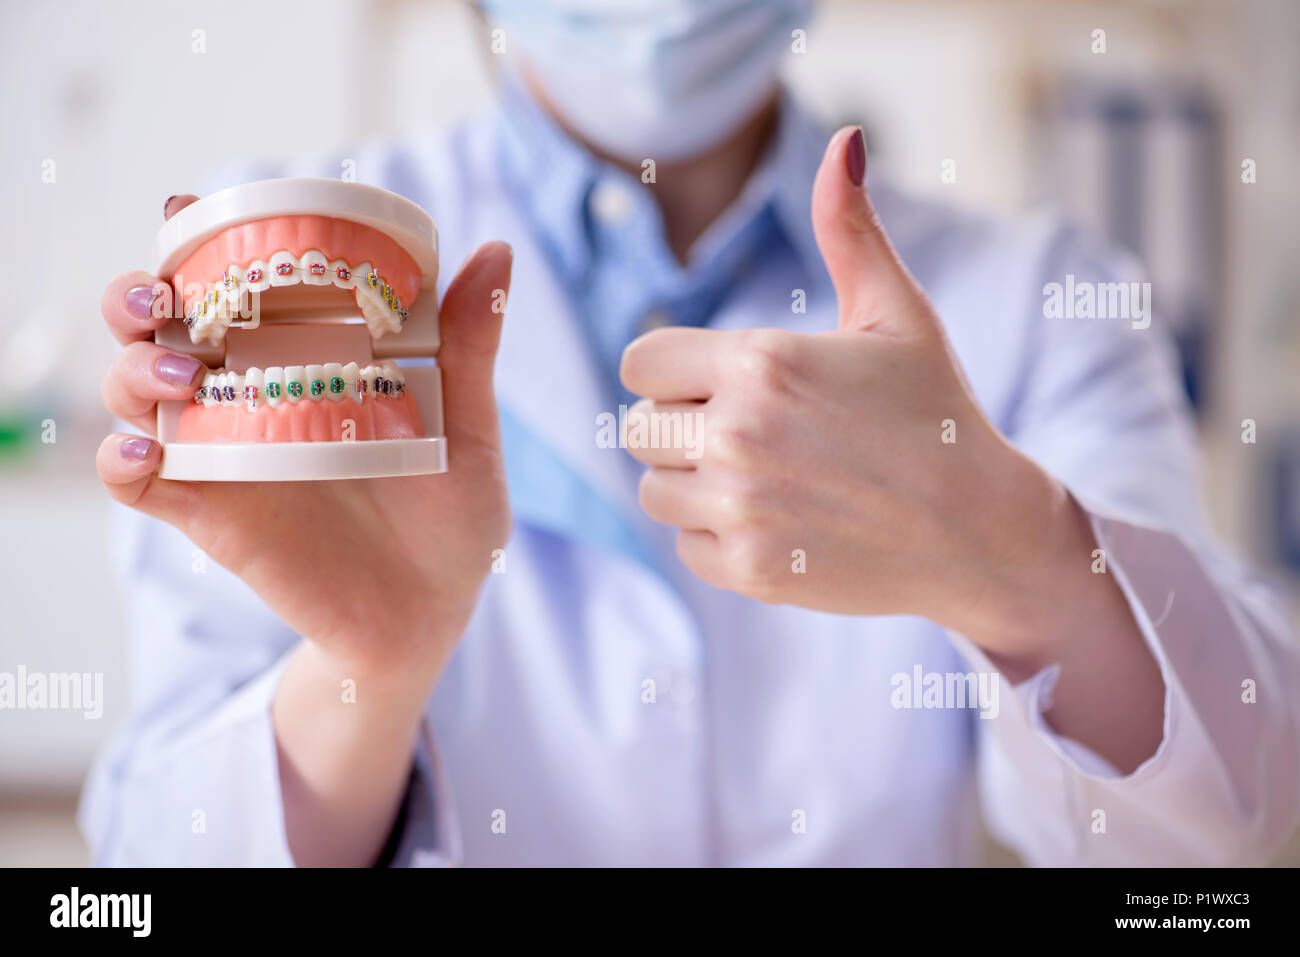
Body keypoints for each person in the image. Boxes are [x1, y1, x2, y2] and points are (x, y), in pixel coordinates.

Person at [83, 0, 1299, 866]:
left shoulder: (1035, 299)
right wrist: (366, 673)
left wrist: (1024, 560)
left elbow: (1222, 830)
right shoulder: (280, 271)